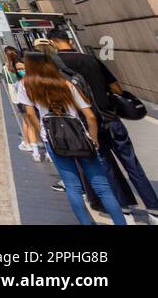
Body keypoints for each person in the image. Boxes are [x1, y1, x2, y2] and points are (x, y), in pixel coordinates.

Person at [52, 34, 156, 219]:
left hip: (87, 123)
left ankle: (124, 209)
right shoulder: (91, 60)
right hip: (111, 119)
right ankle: (153, 209)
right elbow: (116, 88)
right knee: (132, 164)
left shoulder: (55, 66)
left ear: (53, 43)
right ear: (70, 41)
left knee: (106, 167)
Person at [15, 51, 126, 225]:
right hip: (81, 137)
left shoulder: (26, 85)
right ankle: (121, 223)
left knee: (72, 187)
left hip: (54, 139)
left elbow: (30, 114)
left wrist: (43, 133)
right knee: (103, 188)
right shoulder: (66, 83)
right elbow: (89, 116)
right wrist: (93, 137)